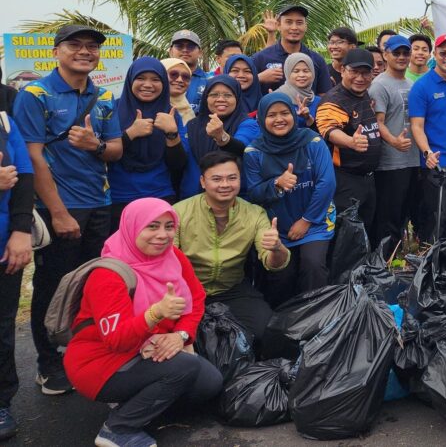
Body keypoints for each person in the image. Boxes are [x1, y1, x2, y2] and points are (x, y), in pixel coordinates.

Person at [13, 25, 123, 396]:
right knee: (52, 287)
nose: (84, 51)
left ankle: (85, 354)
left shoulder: (105, 94)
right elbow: (33, 156)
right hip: (56, 206)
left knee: (93, 284)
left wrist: (94, 145)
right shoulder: (36, 94)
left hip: (100, 204)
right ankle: (48, 364)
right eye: (74, 45)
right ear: (57, 50)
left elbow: (115, 149)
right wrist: (58, 212)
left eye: (91, 47)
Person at [63, 198, 221, 447]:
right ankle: (117, 429)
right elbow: (116, 340)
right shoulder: (107, 276)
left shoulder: (173, 256)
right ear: (131, 227)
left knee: (209, 383)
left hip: (153, 348)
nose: (162, 235)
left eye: (169, 227)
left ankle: (133, 400)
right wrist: (155, 314)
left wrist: (180, 335)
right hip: (100, 361)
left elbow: (196, 298)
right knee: (185, 369)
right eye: (152, 226)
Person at [175, 151, 289, 343]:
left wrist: (277, 248)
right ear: (203, 182)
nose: (225, 185)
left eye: (232, 178)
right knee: (193, 342)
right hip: (187, 291)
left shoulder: (254, 214)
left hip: (232, 289)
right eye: (217, 179)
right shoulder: (179, 212)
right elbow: (166, 262)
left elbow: (273, 263)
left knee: (268, 332)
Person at [245, 94, 337, 303]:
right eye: (271, 115)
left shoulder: (312, 141)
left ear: (293, 115)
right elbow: (254, 193)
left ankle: (316, 316)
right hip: (278, 225)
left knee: (312, 265)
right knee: (281, 275)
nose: (279, 119)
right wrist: (276, 184)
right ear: (261, 119)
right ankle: (285, 322)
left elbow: (327, 183)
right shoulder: (253, 152)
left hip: (315, 222)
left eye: (285, 113)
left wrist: (307, 220)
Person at [108, 57, 188, 227]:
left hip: (159, 194)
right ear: (130, 80)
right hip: (118, 197)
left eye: (155, 79)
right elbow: (102, 153)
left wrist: (171, 133)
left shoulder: (171, 114)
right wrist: (130, 134)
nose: (148, 85)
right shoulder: (111, 109)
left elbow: (178, 164)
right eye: (140, 78)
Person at [315, 48, 382, 249]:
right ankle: (342, 279)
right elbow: (328, 129)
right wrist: (350, 142)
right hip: (345, 180)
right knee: (346, 237)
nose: (360, 78)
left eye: (365, 73)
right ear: (343, 70)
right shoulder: (334, 100)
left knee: (365, 233)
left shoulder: (363, 94)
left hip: (368, 179)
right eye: (354, 72)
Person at [408, 34, 446, 242]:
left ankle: (443, 263)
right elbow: (416, 126)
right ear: (435, 55)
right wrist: (427, 152)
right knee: (435, 218)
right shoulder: (422, 87)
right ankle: (428, 262)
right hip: (436, 164)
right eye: (443, 53)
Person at [0, 92, 34, 439]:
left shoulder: (5, 122)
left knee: (2, 324)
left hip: (5, 243)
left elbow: (24, 176)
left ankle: (1, 399)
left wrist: (22, 230)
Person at [370, 35, 420, 255]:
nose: (401, 57)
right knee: (388, 219)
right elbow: (377, 122)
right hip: (390, 163)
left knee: (403, 216)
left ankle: (398, 259)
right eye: (396, 53)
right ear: (385, 55)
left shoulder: (411, 84)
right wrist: (394, 141)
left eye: (405, 53)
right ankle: (384, 263)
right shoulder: (379, 85)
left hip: (413, 160)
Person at [182, 76, 258, 199]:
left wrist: (222, 137)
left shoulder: (247, 124)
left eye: (227, 95)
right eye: (214, 95)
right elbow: (182, 158)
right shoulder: (192, 125)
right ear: (206, 98)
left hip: (234, 197)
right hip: (193, 198)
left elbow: (241, 148)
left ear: (237, 98)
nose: (221, 99)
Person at [251, 5, 333, 94]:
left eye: (299, 22)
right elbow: (240, 88)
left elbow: (324, 95)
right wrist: (259, 78)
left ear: (305, 26)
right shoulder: (260, 58)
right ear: (278, 25)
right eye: (289, 22)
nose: (294, 27)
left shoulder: (317, 60)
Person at [168, 30, 209, 112]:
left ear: (200, 53)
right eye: (179, 46)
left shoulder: (210, 81)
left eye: (190, 46)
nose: (185, 50)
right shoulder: (159, 78)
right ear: (171, 52)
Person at [277, 52, 321, 129]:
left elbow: (323, 133)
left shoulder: (319, 102)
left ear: (313, 73)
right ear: (287, 73)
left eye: (306, 71)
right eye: (296, 71)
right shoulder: (277, 98)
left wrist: (308, 118)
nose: (301, 75)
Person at [163, 58, 196, 124]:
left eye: (185, 77)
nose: (180, 80)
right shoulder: (149, 107)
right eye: (174, 74)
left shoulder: (188, 111)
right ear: (161, 75)